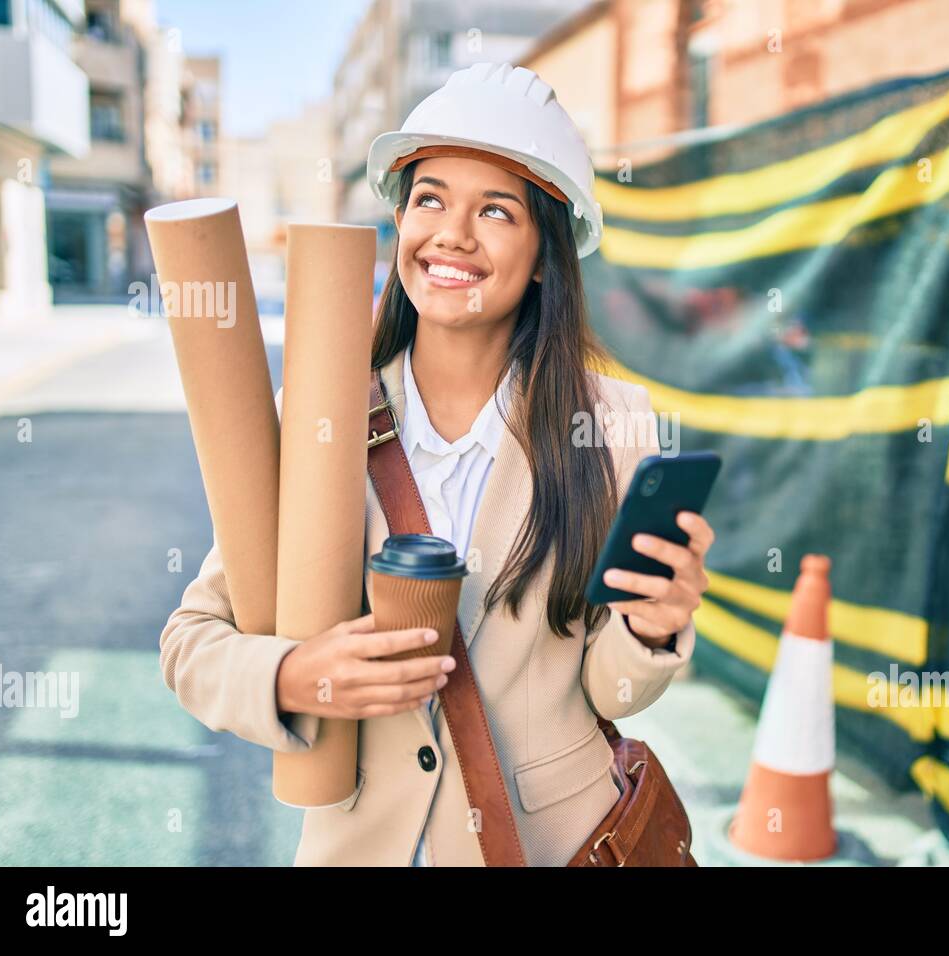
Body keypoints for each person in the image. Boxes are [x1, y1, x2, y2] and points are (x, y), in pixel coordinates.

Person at [159, 62, 715, 866]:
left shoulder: (613, 427)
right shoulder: (316, 416)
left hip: (548, 846)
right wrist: (292, 676)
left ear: (545, 256)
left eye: (496, 210)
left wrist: (652, 629)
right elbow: (190, 642)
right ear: (401, 222)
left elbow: (606, 693)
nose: (452, 233)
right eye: (430, 198)